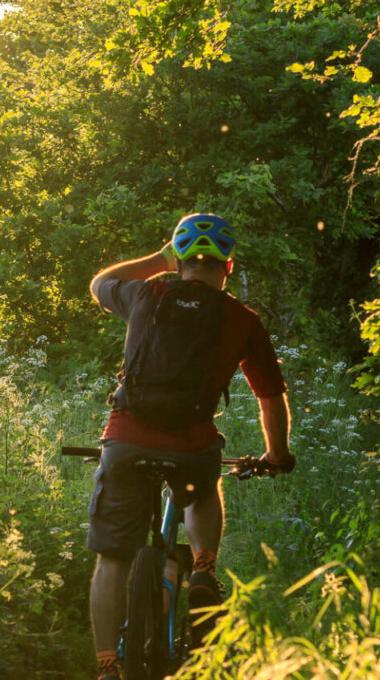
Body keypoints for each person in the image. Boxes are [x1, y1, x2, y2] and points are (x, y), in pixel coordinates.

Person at [85, 212, 294, 680]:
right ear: (229, 267)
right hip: (192, 444)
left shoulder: (145, 292)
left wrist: (158, 260)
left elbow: (101, 284)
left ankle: (107, 667)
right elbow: (270, 398)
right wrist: (276, 455)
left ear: (178, 260)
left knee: (113, 558)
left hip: (126, 439)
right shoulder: (242, 319)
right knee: (202, 484)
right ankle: (202, 568)